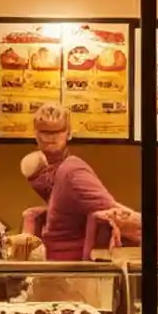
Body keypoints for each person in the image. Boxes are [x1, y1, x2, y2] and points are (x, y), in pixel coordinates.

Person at [20, 103, 127, 261]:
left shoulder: (72, 171)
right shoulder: (36, 166)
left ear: (69, 133)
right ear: (36, 134)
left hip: (74, 266)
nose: (51, 137)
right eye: (45, 132)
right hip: (54, 263)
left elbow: (115, 212)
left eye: (58, 131)